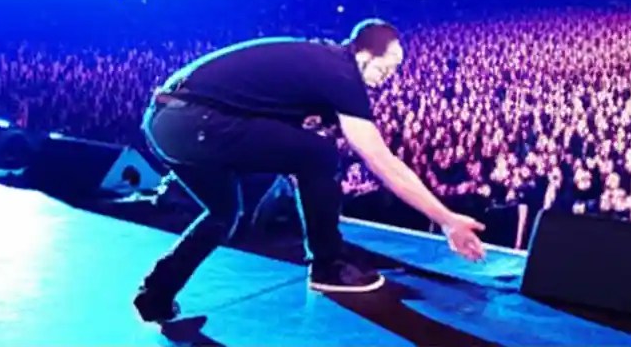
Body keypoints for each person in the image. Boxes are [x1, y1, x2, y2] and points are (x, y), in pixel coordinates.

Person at [133, 19, 486, 323]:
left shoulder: (320, 65)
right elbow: (380, 160)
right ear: (364, 54)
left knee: (224, 214)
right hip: (197, 122)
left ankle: (156, 293)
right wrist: (446, 219)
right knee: (319, 155)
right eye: (388, 65)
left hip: (166, 123)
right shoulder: (340, 72)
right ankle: (328, 264)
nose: (389, 76)